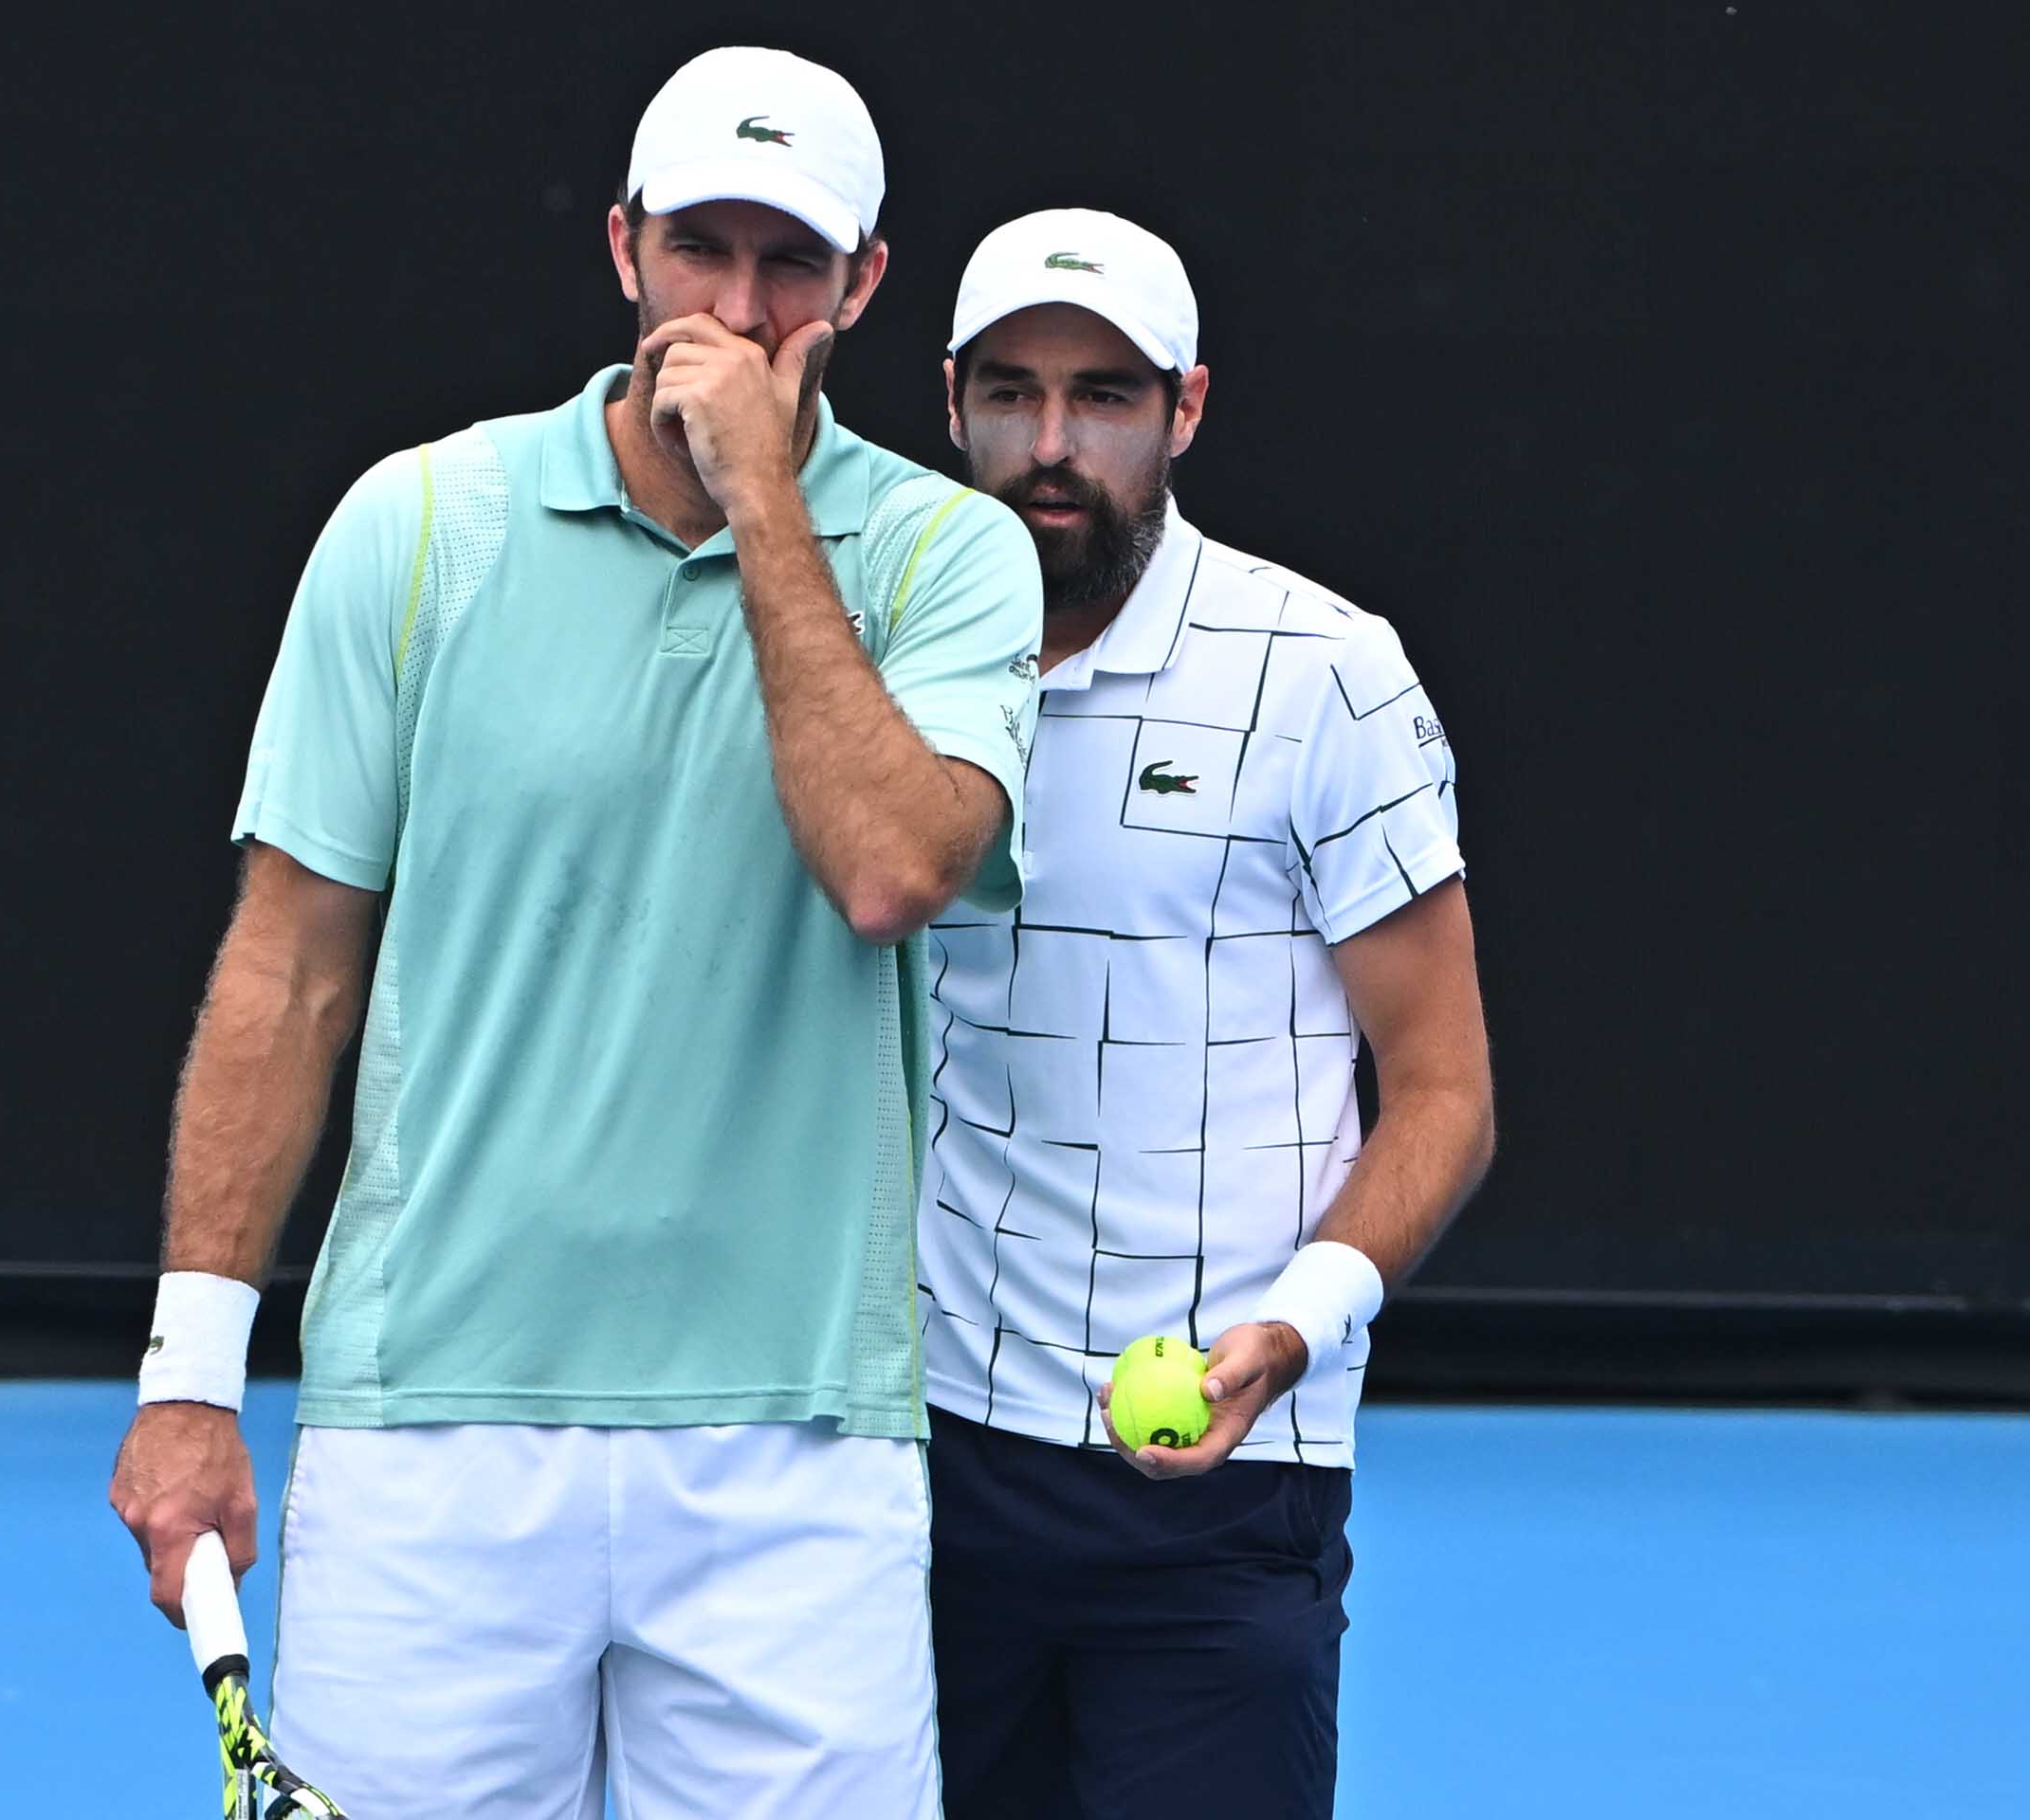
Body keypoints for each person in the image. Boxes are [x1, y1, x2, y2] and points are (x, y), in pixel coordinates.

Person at [105, 48, 1044, 1820]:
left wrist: (765, 498)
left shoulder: (944, 560)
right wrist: (191, 1380)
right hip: (429, 1434)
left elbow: (892, 870)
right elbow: (289, 970)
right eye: (703, 248)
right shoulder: (417, 529)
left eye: (790, 266)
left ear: (863, 288)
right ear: (624, 248)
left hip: (801, 1454)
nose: (740, 308)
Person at [916, 208, 1497, 1819]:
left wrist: (1292, 1329)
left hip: (1232, 1478)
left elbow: (1442, 1086)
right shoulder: (877, 656)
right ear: (947, 400)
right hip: (928, 1467)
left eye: (1104, 396)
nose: (1052, 444)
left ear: (1186, 408)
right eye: (1012, 394)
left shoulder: (1330, 674)